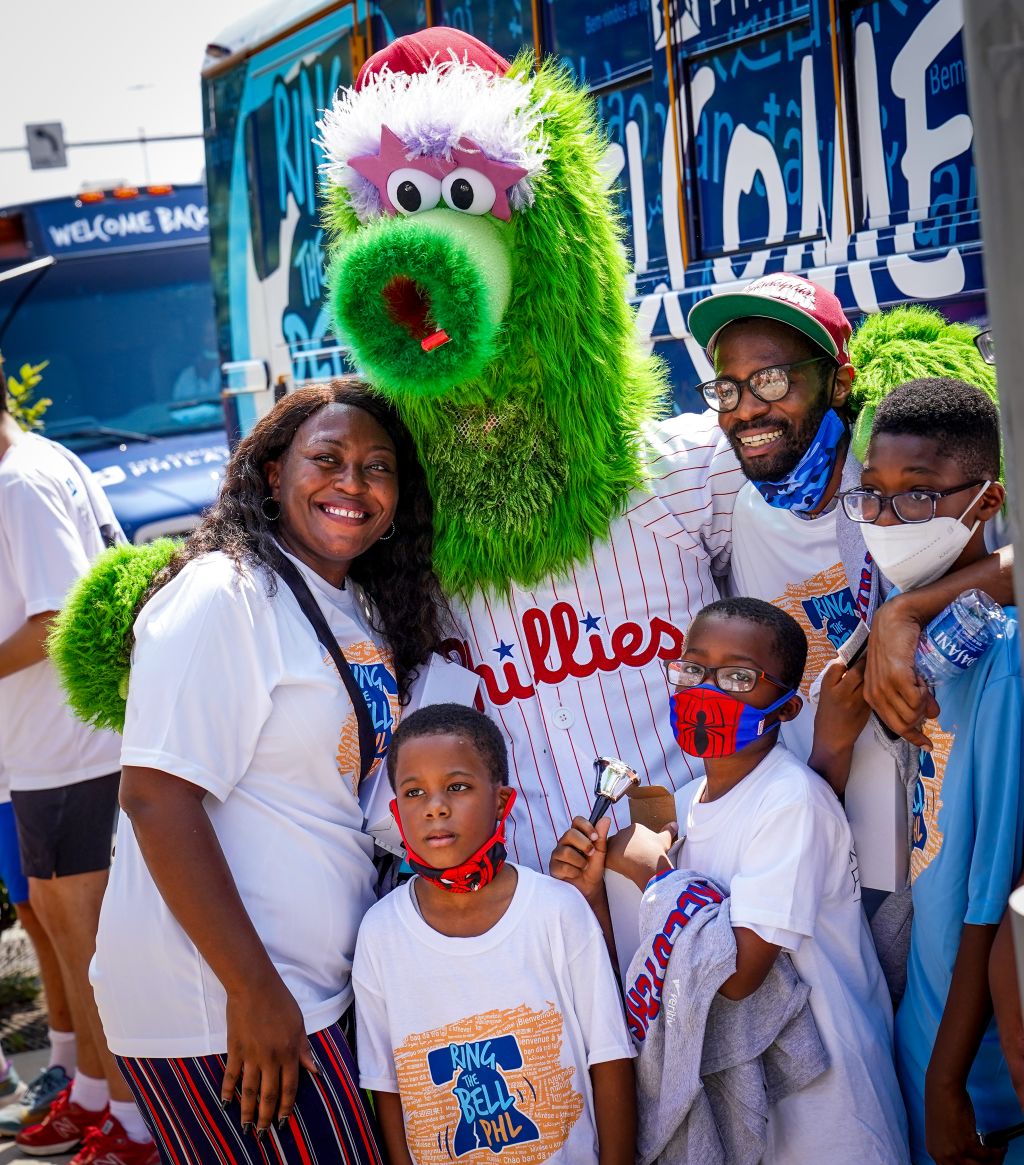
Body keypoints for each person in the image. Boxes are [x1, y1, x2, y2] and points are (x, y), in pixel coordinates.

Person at [89, 379, 451, 1164]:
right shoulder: (226, 592)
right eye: (328, 458)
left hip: (307, 986)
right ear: (270, 474)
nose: (353, 483)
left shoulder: (354, 602)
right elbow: (156, 797)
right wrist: (252, 992)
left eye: (378, 467)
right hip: (222, 1002)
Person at [552, 596, 910, 1164]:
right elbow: (662, 960)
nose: (707, 691)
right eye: (693, 669)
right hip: (756, 1121)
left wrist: (651, 872)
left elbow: (741, 973)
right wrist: (592, 888)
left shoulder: (789, 799)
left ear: (787, 709)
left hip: (830, 1116)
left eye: (739, 677)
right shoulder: (688, 803)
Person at [685, 280, 1014, 893]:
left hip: (952, 829)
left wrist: (903, 614)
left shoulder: (904, 484)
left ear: (839, 381)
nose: (746, 408)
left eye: (772, 380)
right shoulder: (749, 516)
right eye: (726, 389)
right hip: (838, 842)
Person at [849, 379, 1022, 1164]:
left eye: (918, 496)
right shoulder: (912, 618)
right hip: (921, 1017)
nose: (888, 522)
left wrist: (947, 1080)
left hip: (981, 1056)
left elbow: (992, 895)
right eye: (874, 497)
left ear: (986, 502)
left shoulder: (1005, 658)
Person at [353, 702, 636, 1165]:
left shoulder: (557, 910)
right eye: (413, 792)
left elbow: (609, 1059)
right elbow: (387, 1089)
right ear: (396, 810)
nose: (435, 807)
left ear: (502, 801)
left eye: (457, 787)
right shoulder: (380, 933)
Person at [0, 374, 155, 1162]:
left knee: (97, 952)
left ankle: (137, 1124)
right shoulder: (30, 465)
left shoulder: (20, 479)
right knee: (68, 941)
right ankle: (97, 1097)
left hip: (74, 749)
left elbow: (54, 617)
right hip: (43, 754)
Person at [0, 755, 79, 1135]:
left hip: (37, 769)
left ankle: (76, 1070)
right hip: (14, 778)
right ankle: (67, 1069)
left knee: (54, 920)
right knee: (32, 914)